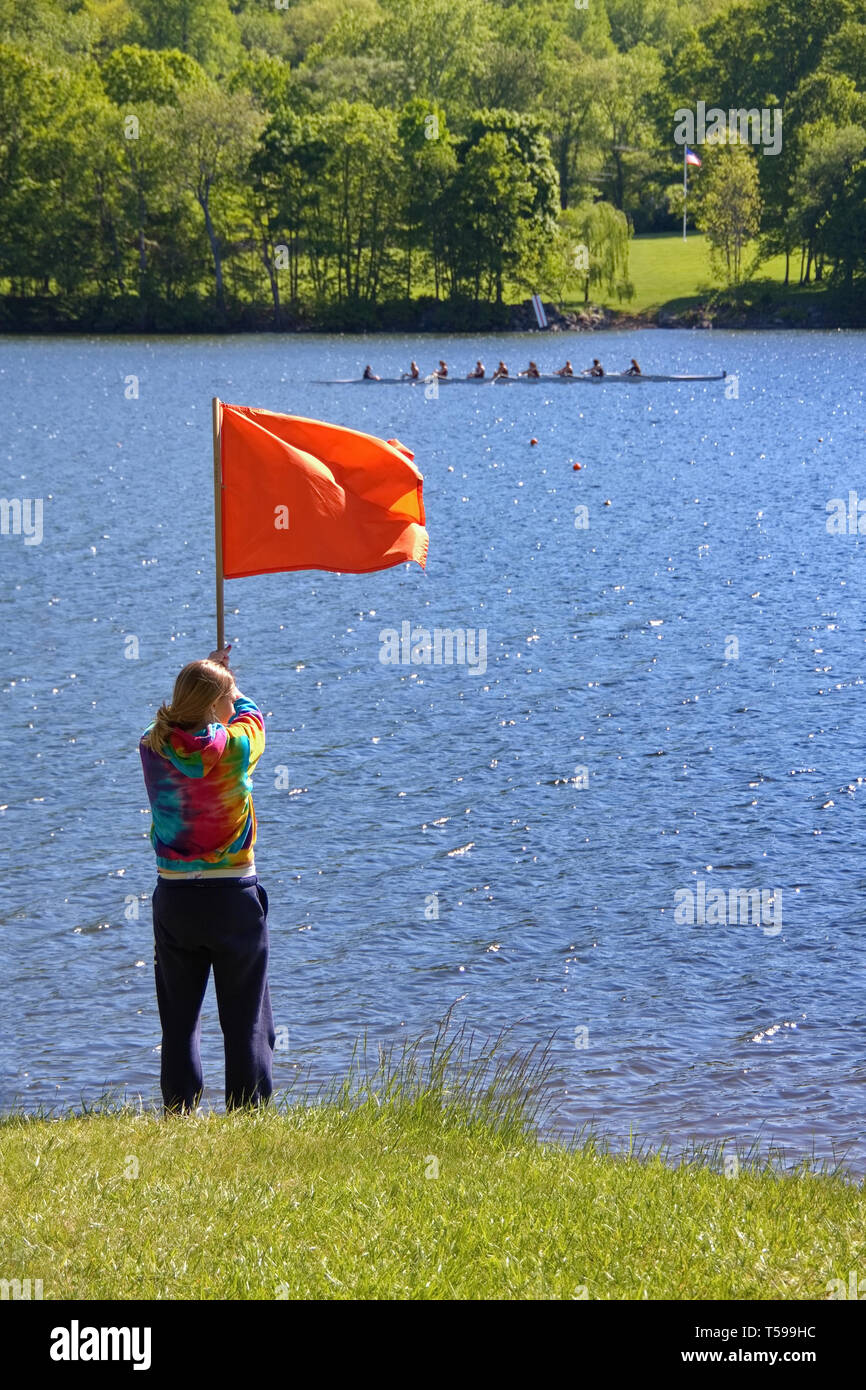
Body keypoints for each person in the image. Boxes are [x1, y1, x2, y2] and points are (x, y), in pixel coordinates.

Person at [139, 646, 275, 1115]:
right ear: (219, 704)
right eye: (224, 699)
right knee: (245, 1017)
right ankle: (247, 1111)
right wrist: (231, 685)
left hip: (175, 897)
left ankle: (179, 1110)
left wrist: (208, 675)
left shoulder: (151, 747)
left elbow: (177, 722)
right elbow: (254, 718)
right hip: (232, 894)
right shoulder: (236, 748)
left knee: (178, 1018)